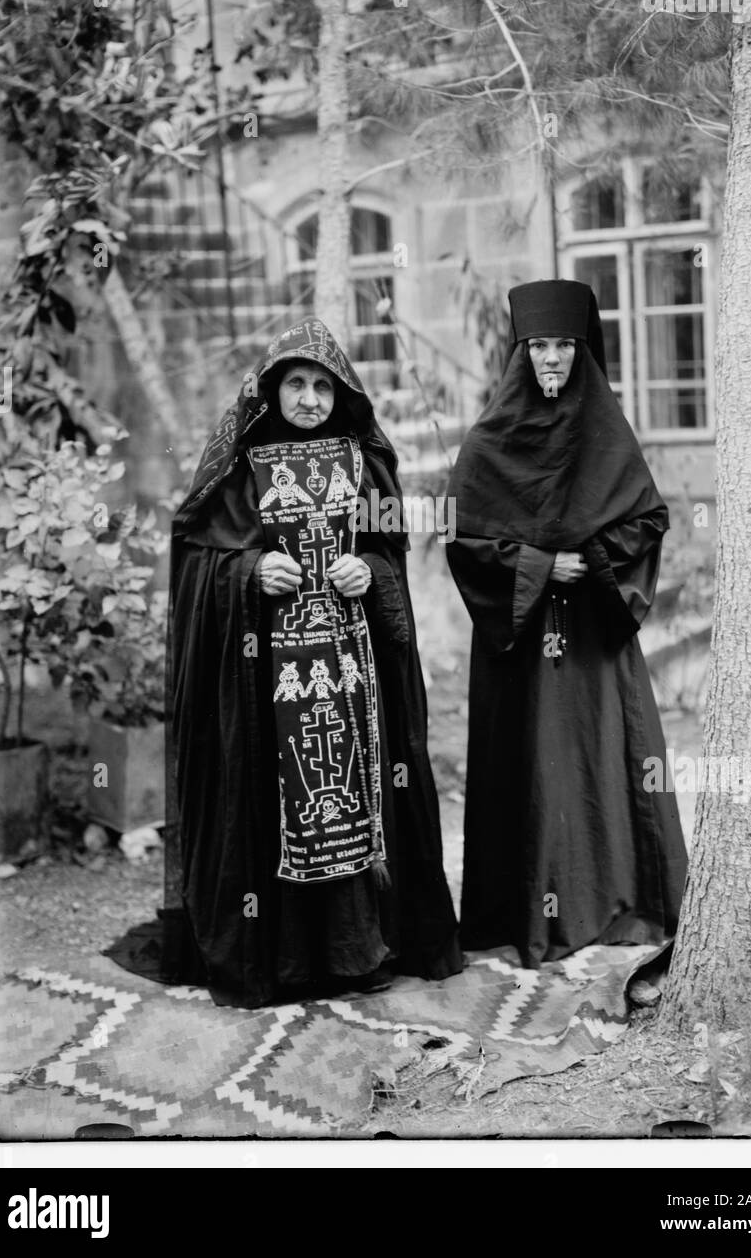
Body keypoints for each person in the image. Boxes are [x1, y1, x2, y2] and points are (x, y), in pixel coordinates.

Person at [166, 318, 462, 1008]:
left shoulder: (366, 462)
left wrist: (370, 568)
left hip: (354, 673)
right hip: (266, 672)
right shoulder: (241, 465)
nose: (307, 398)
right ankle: (287, 961)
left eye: (320, 385)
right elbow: (196, 554)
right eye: (295, 384)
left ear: (339, 392)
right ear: (272, 392)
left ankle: (360, 951)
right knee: (277, 795)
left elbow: (391, 553)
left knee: (356, 786)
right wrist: (245, 571)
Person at [445, 279, 688, 970]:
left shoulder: (607, 433)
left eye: (563, 345)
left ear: (584, 351)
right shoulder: (488, 442)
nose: (551, 358)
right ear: (520, 351)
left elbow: (646, 519)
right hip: (516, 645)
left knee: (595, 761)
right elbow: (462, 540)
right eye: (539, 345)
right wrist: (536, 565)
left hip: (590, 639)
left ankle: (616, 901)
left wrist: (595, 557)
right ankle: (523, 910)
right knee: (529, 764)